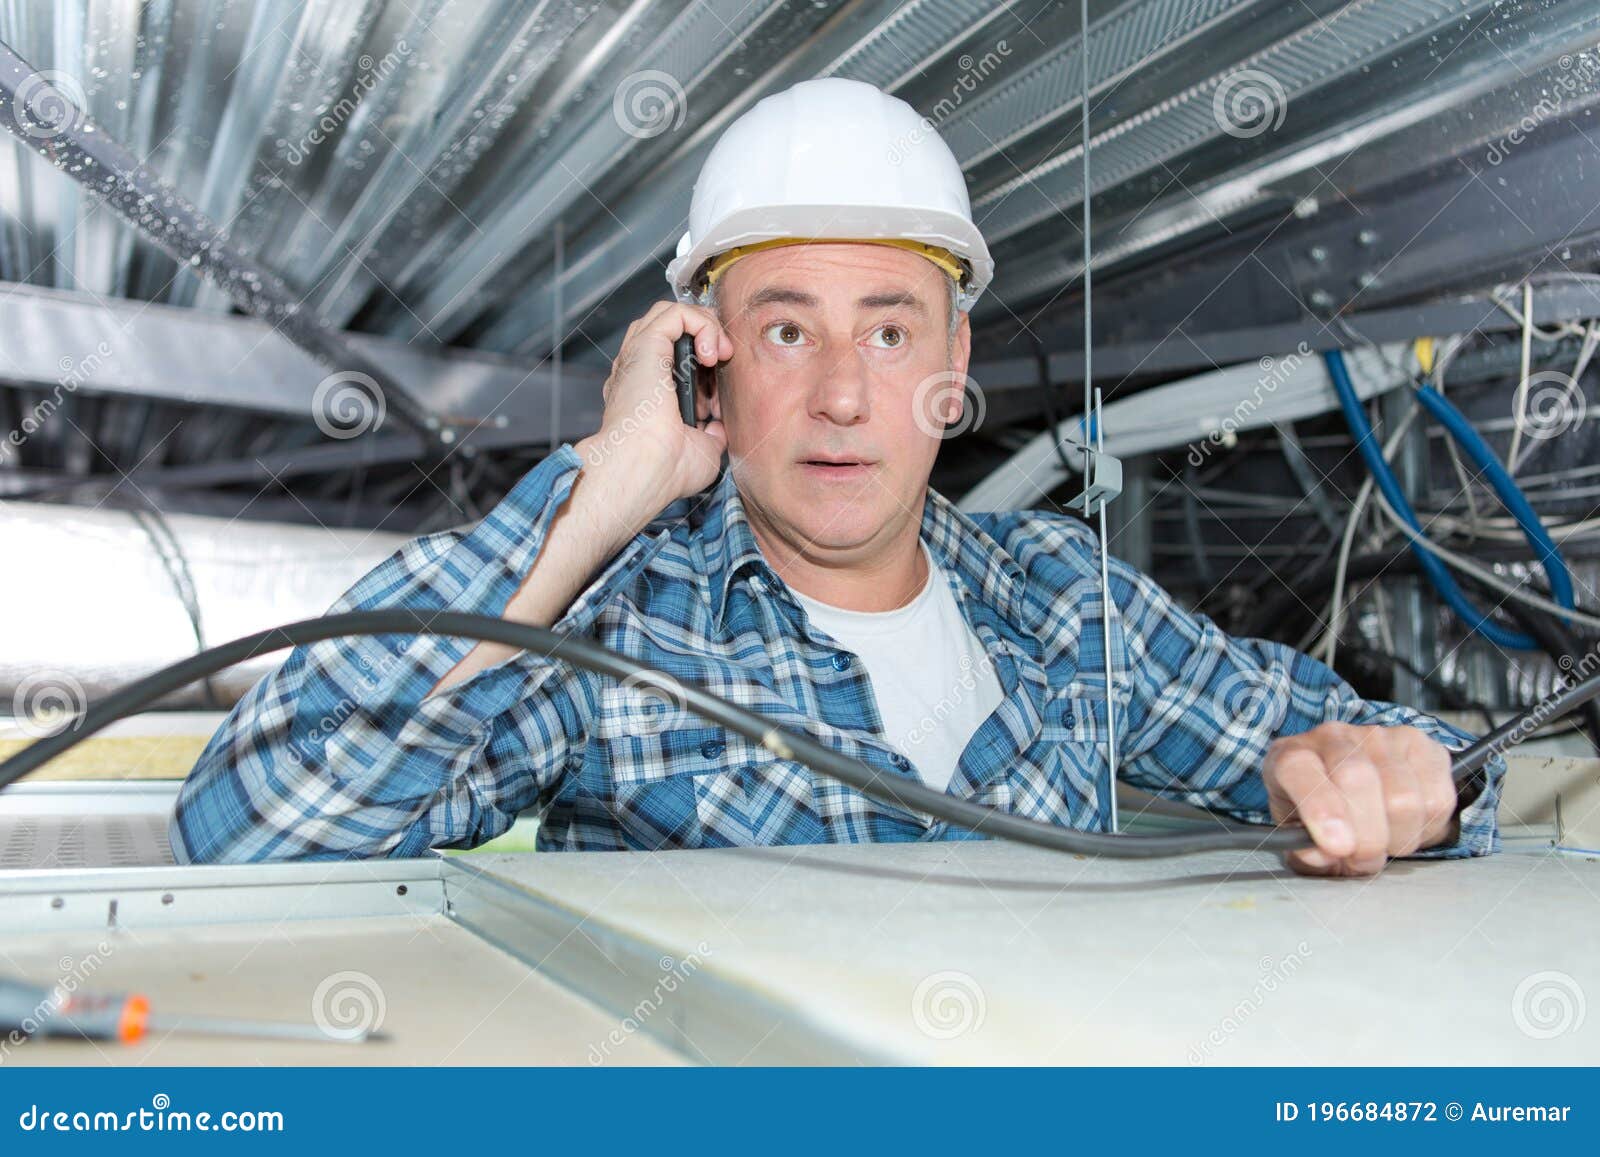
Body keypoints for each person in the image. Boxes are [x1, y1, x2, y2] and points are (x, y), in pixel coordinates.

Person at [171, 77, 1503, 876]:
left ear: (952, 356)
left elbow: (1414, 757)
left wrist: (1388, 776)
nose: (845, 395)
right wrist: (606, 485)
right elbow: (257, 826)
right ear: (707, 359)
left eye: (888, 327)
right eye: (788, 330)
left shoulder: (1063, 602)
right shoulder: (624, 625)